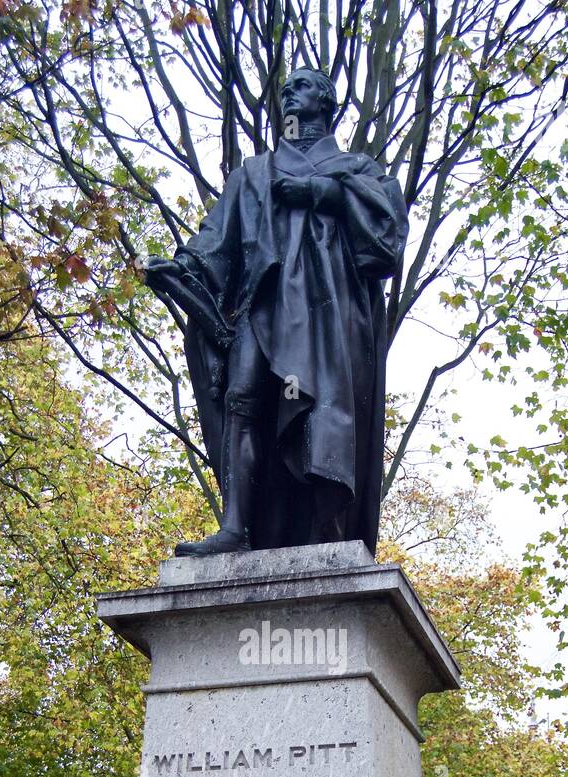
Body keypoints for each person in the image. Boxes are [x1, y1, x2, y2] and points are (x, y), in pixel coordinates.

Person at [143, 67, 408, 557]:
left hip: (326, 321)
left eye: (303, 85)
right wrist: (182, 268)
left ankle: (325, 529)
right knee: (244, 402)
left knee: (320, 413)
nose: (289, 90)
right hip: (262, 309)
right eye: (286, 86)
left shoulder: (359, 171)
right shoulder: (254, 175)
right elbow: (214, 241)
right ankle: (235, 529)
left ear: (326, 102)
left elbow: (386, 245)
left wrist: (329, 195)